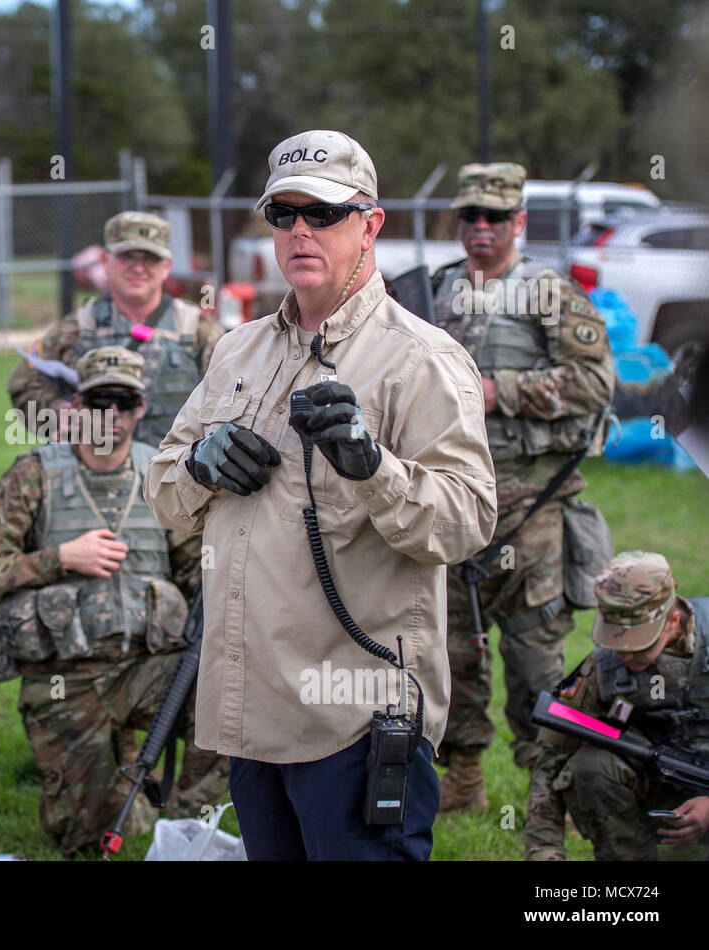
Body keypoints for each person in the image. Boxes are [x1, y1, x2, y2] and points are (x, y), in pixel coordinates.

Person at [144, 130, 497, 860]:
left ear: (371, 223)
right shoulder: (239, 350)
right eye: (284, 214)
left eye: (324, 212)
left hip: (354, 718)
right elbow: (164, 491)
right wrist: (200, 466)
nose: (301, 230)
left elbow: (468, 522)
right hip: (250, 709)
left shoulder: (420, 359)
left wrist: (373, 467)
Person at [0, 346, 228, 854]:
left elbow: (200, 569)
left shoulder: (163, 473)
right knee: (86, 839)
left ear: (141, 406)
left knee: (227, 698)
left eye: (123, 402)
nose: (111, 415)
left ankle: (186, 829)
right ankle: (121, 788)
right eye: (99, 401)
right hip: (65, 678)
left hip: (150, 667)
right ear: (76, 406)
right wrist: (58, 558)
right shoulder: (33, 474)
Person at [431, 163, 616, 810]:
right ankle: (463, 778)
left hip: (531, 507)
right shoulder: (435, 291)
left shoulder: (549, 292)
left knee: (536, 654)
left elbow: (597, 384)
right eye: (470, 216)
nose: (480, 228)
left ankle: (547, 791)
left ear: (519, 223)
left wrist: (499, 391)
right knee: (454, 650)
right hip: (453, 501)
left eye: (494, 217)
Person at [525, 551, 709, 860]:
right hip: (660, 787)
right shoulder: (604, 666)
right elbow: (553, 758)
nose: (625, 656)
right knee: (591, 766)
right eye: (617, 643)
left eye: (639, 645)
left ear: (672, 620)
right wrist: (543, 851)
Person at [6, 211, 224, 449]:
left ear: (166, 267)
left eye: (149, 258)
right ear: (104, 260)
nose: (138, 268)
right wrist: (57, 414)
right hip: (94, 478)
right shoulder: (76, 329)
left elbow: (234, 392)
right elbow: (23, 385)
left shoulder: (197, 330)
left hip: (173, 476)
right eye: (126, 256)